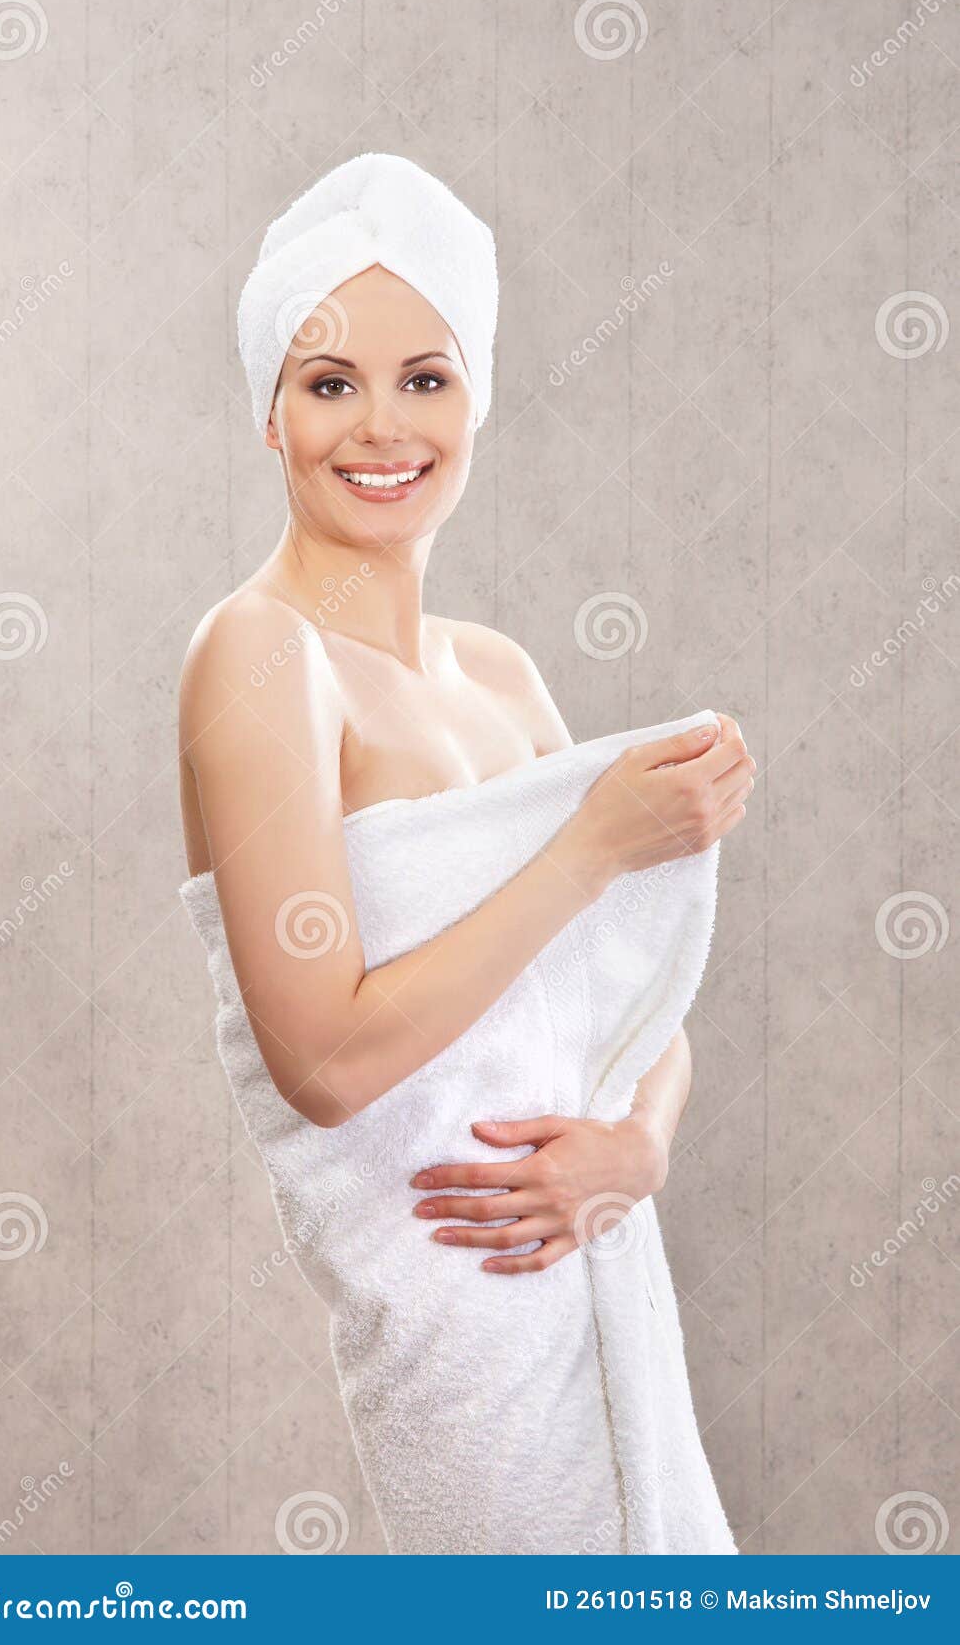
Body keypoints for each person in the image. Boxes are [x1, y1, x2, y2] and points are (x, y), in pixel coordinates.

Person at [178, 153, 754, 1554]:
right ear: (269, 413)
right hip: (457, 1338)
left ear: (475, 397)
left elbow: (629, 1011)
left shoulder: (496, 674)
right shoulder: (259, 657)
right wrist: (593, 843)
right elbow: (322, 1062)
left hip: (602, 1290)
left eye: (425, 378)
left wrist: (635, 1150)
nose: (382, 426)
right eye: (330, 383)